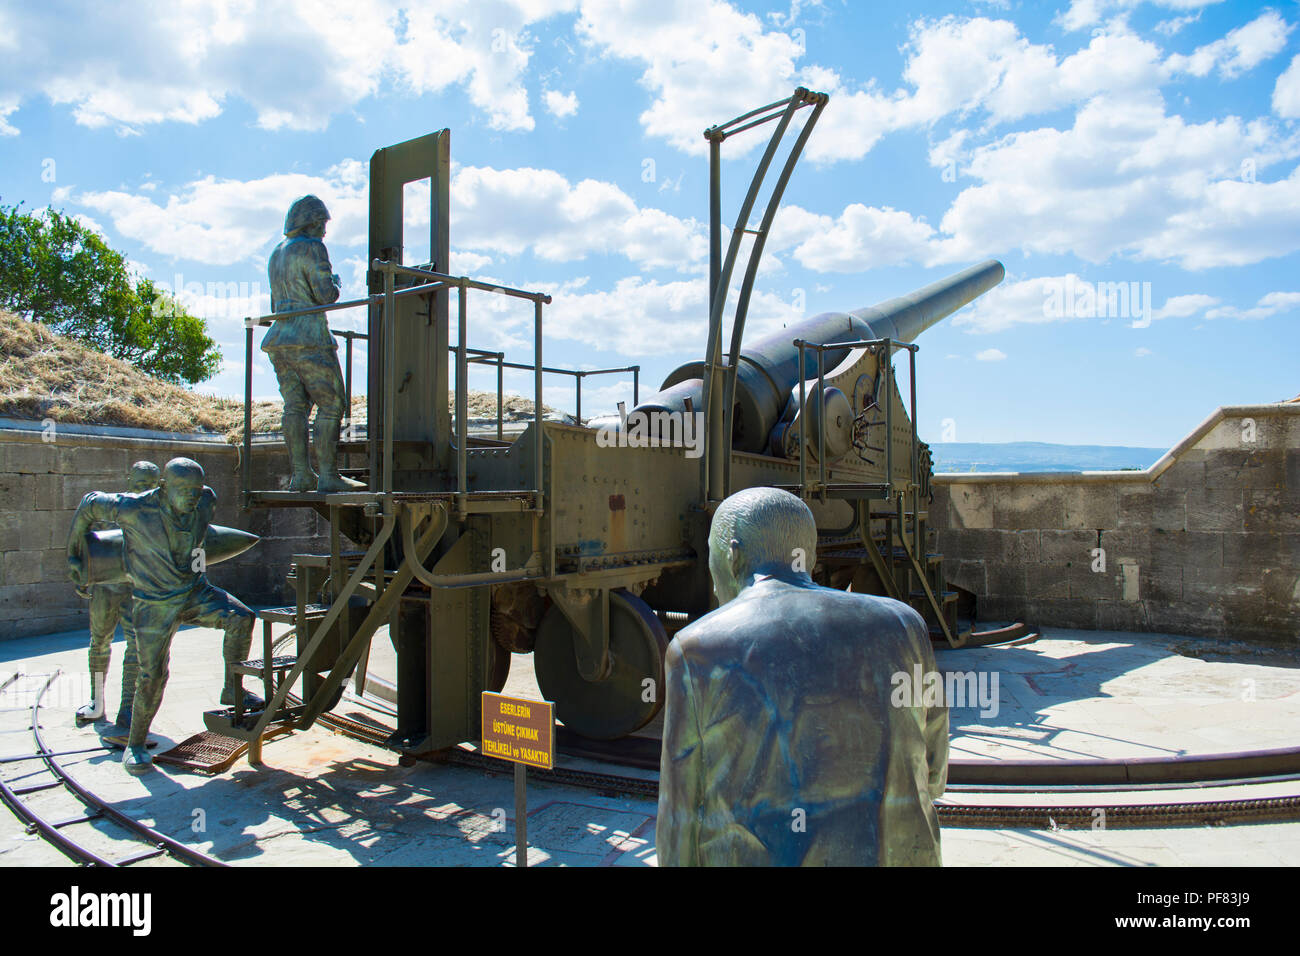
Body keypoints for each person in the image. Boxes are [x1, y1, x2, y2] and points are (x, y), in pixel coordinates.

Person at [656, 487, 949, 866]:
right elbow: (934, 771)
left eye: (713, 562)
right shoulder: (904, 623)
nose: (714, 585)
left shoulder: (695, 647)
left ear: (732, 556)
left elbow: (680, 815)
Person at [66, 458, 259, 775]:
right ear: (164, 488)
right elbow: (88, 504)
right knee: (153, 674)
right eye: (183, 490)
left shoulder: (205, 500)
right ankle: (136, 744)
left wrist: (201, 581)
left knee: (242, 618)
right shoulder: (133, 508)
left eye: (195, 490)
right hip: (154, 603)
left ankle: (230, 688)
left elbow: (199, 545)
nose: (191, 497)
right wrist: (74, 554)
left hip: (194, 593)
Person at [264, 194, 364, 493]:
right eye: (321, 223)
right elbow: (325, 295)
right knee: (332, 404)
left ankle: (300, 475)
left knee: (295, 406)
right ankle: (329, 476)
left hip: (280, 339)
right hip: (309, 339)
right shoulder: (312, 247)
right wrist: (335, 281)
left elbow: (274, 301)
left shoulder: (276, 254)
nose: (324, 230)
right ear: (310, 221)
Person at [74, 460, 161, 730]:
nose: (143, 491)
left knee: (136, 648)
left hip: (137, 588)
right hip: (107, 585)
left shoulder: (160, 515)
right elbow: (84, 525)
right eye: (138, 484)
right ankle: (96, 702)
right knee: (99, 641)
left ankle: (128, 709)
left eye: (149, 486)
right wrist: (82, 569)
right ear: (128, 480)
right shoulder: (116, 505)